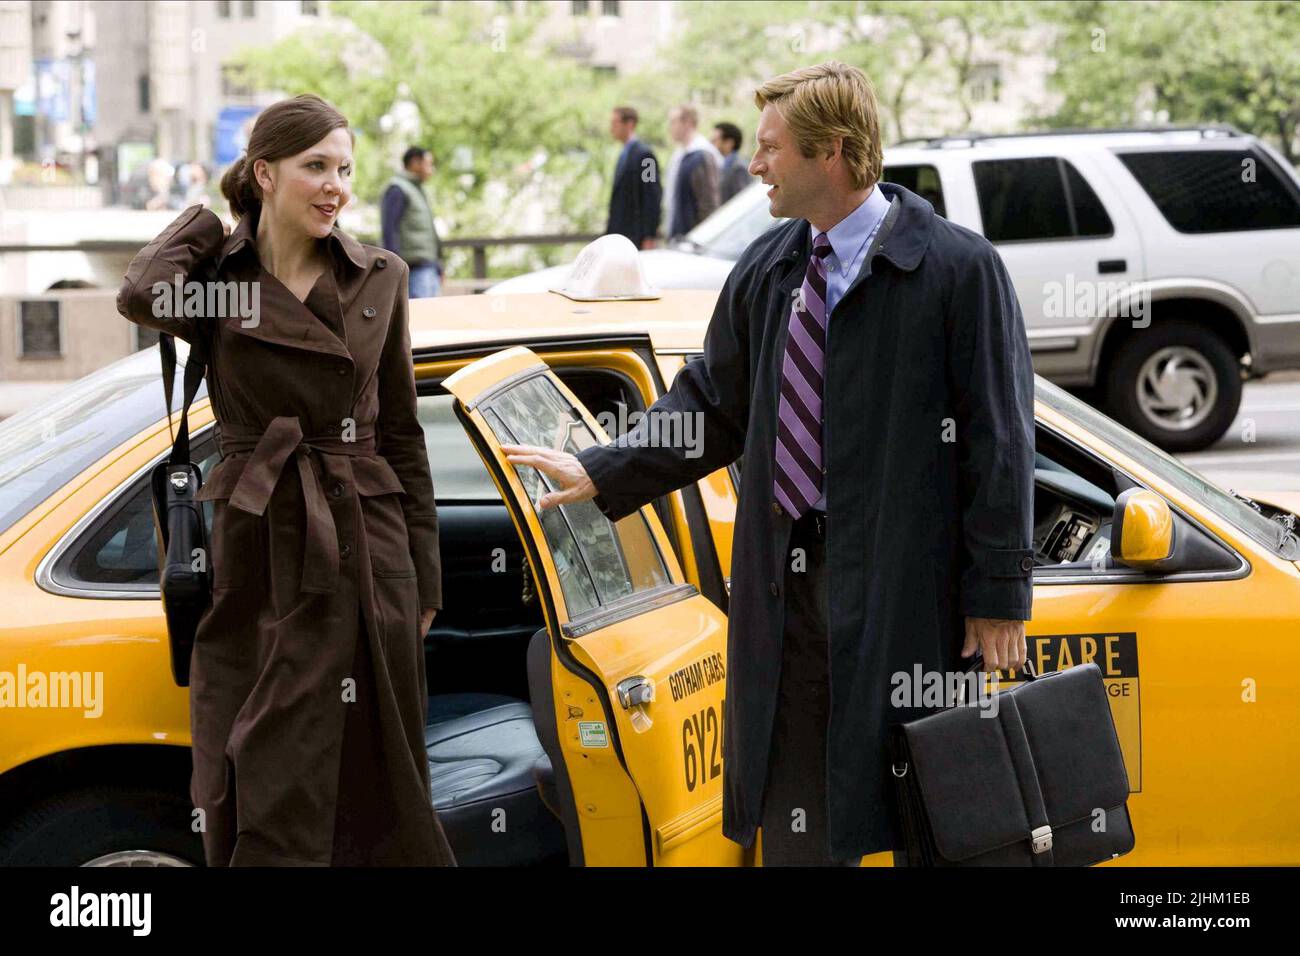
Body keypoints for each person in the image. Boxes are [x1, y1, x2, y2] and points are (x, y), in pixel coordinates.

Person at [500, 62, 1035, 866]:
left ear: (836, 153)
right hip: (784, 590)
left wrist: (999, 594)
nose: (754, 167)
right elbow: (711, 405)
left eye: (770, 149)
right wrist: (605, 469)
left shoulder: (958, 270)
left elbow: (1000, 441)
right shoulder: (769, 267)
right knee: (796, 807)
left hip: (907, 592)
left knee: (932, 810)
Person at [117, 94, 456, 867]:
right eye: (315, 167)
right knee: (262, 761)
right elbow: (139, 292)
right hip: (262, 542)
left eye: (344, 169)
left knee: (380, 780)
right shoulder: (223, 284)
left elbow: (403, 434)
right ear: (264, 174)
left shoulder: (380, 275)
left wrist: (425, 582)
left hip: (370, 554)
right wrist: (206, 221)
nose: (335, 186)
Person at [381, 146, 444, 298]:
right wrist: (395, 270)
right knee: (419, 319)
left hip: (428, 268)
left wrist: (439, 266)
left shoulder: (418, 190)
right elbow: (389, 231)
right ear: (415, 163)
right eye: (429, 164)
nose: (432, 169)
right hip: (413, 270)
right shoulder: (397, 189)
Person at [605, 106, 662, 251]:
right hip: (620, 235)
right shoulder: (624, 153)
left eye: (615, 123)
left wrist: (649, 235)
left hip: (635, 237)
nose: (611, 128)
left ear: (629, 124)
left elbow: (652, 196)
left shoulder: (645, 156)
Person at [663, 104, 721, 240]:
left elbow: (709, 204)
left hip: (693, 237)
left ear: (688, 123)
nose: (670, 127)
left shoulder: (702, 154)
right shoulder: (679, 154)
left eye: (673, 122)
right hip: (676, 234)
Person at [711, 121, 754, 203]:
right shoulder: (724, 165)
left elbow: (743, 200)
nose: (712, 144)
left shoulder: (738, 167)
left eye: (715, 140)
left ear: (729, 143)